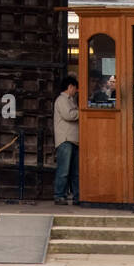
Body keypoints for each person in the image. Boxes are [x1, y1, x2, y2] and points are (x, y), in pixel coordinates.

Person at [54, 76, 80, 205]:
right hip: (65, 139)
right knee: (64, 170)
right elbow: (68, 115)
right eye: (75, 88)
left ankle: (78, 196)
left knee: (75, 171)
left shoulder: (71, 100)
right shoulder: (62, 100)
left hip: (73, 139)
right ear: (70, 87)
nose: (76, 91)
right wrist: (83, 112)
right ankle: (59, 195)